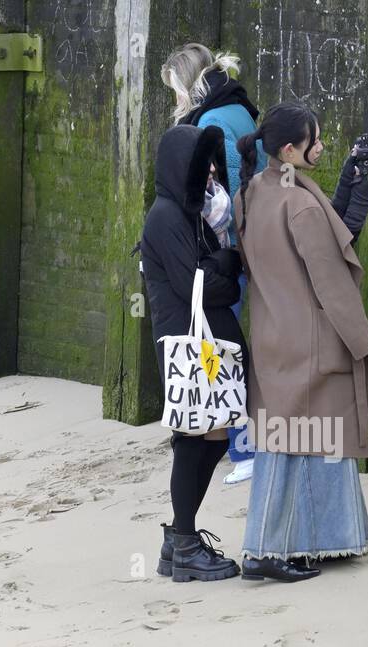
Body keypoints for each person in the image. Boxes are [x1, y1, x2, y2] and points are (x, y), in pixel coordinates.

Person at [233, 103, 368, 582]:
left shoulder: (254, 190)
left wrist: (354, 194)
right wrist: (361, 342)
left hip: (272, 332)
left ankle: (320, 539)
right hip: (311, 336)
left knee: (290, 436)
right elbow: (331, 277)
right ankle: (265, 547)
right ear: (289, 149)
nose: (321, 145)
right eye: (314, 140)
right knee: (307, 438)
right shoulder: (296, 202)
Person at [140, 124, 246, 582]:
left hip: (209, 341)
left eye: (211, 162)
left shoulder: (196, 212)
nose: (209, 172)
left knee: (216, 434)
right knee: (193, 436)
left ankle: (180, 540)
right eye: (200, 163)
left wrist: (223, 266)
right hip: (187, 340)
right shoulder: (165, 216)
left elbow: (217, 272)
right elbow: (198, 287)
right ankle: (182, 540)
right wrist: (227, 267)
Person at [162, 42, 266, 485]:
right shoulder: (237, 106)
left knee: (224, 349)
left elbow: (217, 192)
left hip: (232, 251)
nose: (175, 101)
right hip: (256, 242)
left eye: (175, 90)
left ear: (187, 85)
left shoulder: (209, 120)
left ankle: (242, 447)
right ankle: (244, 440)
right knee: (238, 347)